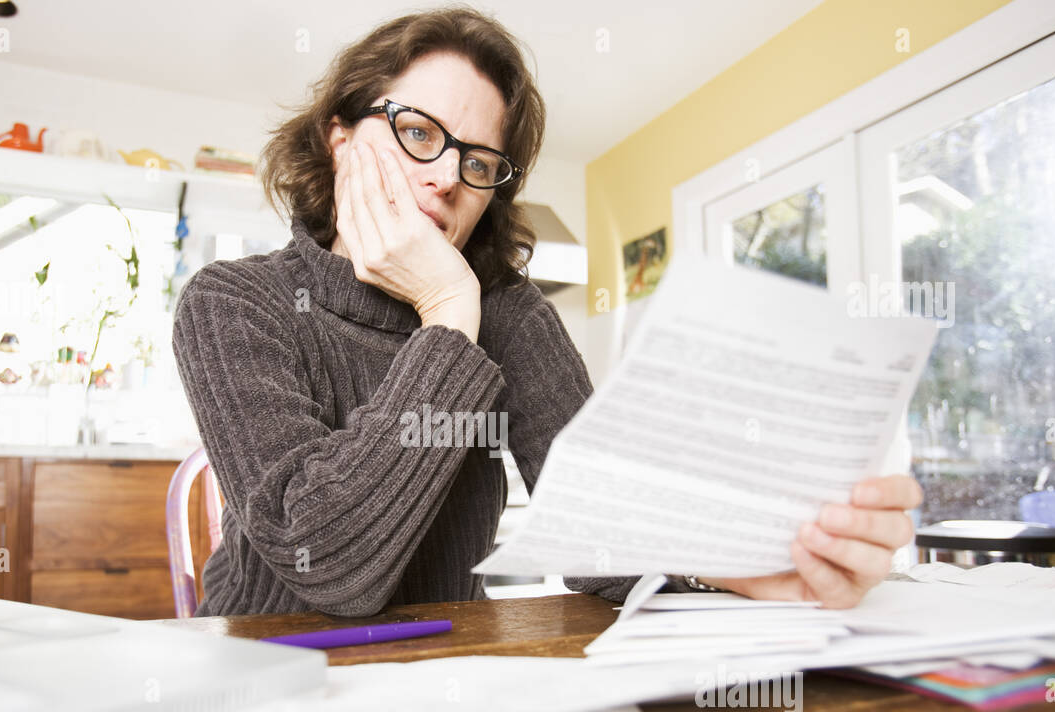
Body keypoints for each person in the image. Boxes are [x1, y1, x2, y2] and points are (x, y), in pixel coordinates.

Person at [172, 6, 921, 618]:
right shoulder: (232, 302)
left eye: (475, 162)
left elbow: (605, 531)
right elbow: (331, 568)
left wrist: (755, 570)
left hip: (448, 675)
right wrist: (445, 308)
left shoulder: (508, 312)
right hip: (269, 683)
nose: (443, 180)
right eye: (419, 133)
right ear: (340, 139)